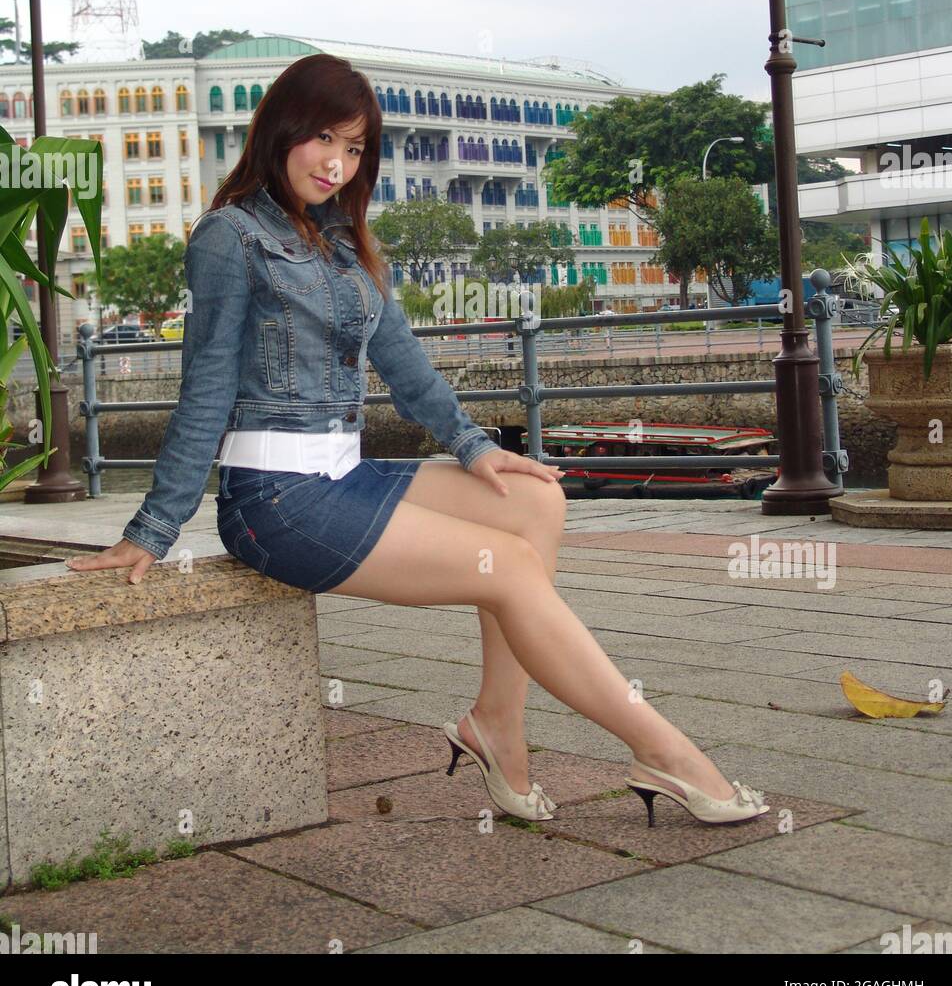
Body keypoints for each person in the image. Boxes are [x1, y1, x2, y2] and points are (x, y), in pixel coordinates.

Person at [65, 54, 768, 829]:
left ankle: (498, 725)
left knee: (533, 498)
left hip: (343, 476)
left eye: (357, 147)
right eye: (324, 138)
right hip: (277, 500)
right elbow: (203, 388)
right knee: (507, 570)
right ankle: (664, 750)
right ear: (280, 131)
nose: (337, 163)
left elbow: (403, 364)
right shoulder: (229, 239)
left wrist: (473, 446)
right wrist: (153, 529)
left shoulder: (344, 244)